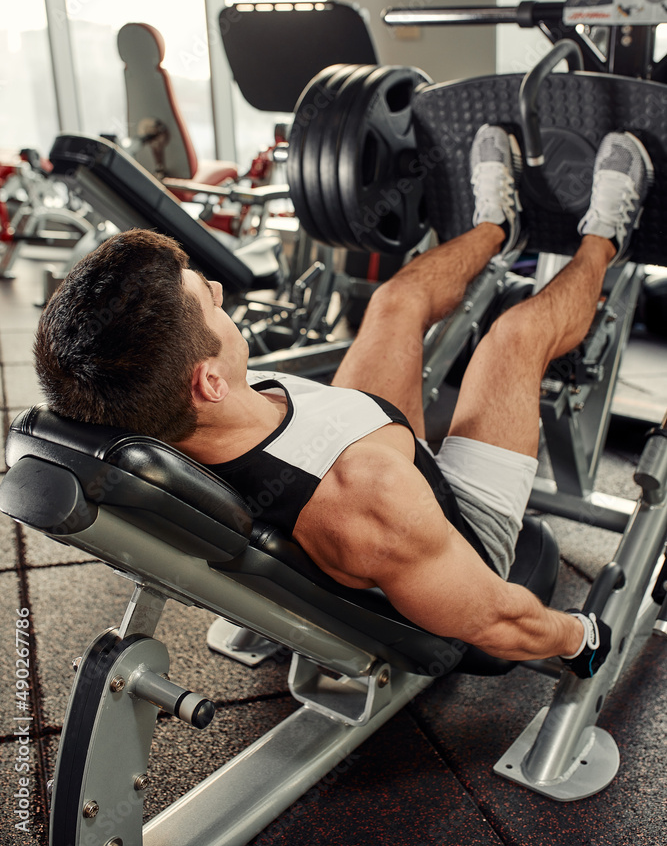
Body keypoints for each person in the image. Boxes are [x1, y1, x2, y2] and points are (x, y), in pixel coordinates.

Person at [33, 126, 653, 678]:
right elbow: (493, 620)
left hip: (366, 446)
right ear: (209, 384)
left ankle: (497, 226)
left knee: (393, 304)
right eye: (211, 302)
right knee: (514, 338)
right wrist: (580, 639)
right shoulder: (365, 501)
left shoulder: (162, 412)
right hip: (459, 533)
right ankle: (603, 238)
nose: (222, 287)